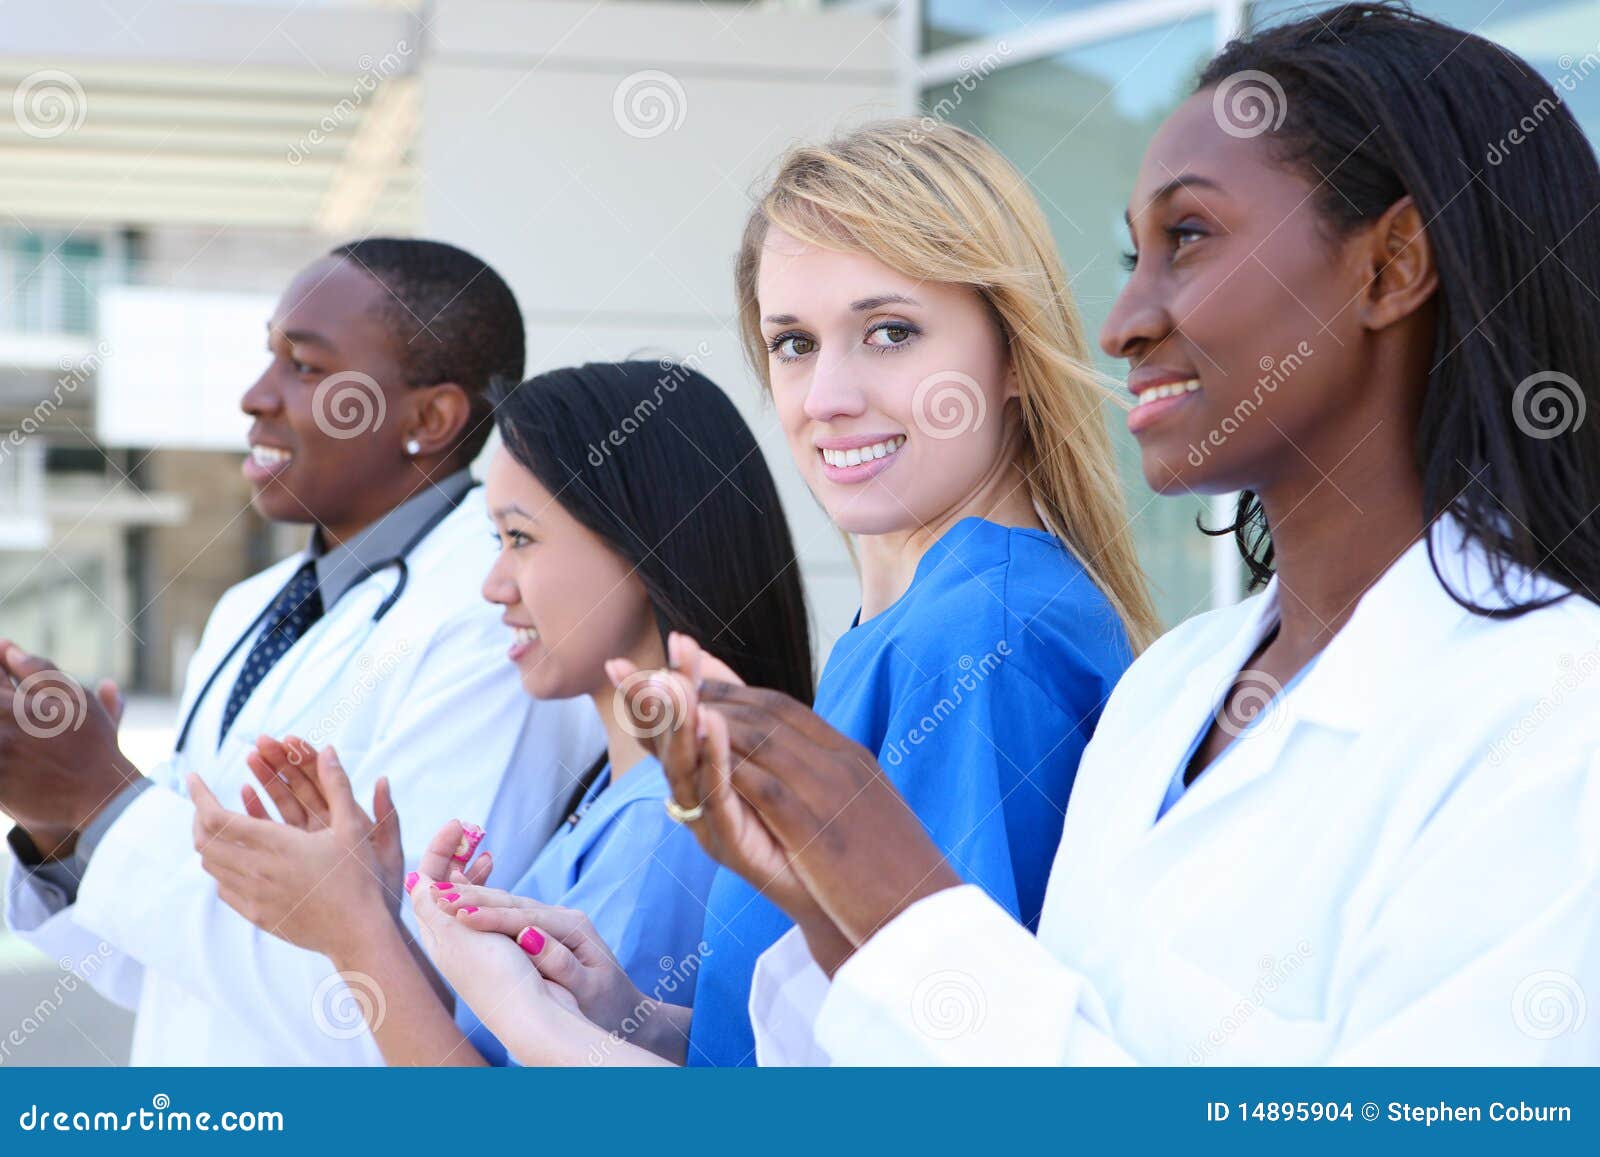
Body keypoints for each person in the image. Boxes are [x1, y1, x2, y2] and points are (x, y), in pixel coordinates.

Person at [625, 3, 1600, 1065]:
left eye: (1188, 238)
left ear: (1389, 264)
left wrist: (897, 897)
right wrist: (825, 896)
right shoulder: (1167, 693)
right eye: (1132, 253)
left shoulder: (1554, 718)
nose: (1121, 320)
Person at [402, 119, 1161, 1066]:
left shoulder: (977, 632)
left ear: (1011, 353)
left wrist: (522, 1017)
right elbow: (822, 1046)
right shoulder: (908, 624)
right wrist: (623, 1010)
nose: (827, 394)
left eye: (890, 332)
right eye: (794, 343)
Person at [0, 239, 601, 1065]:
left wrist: (101, 793)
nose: (255, 397)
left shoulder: (498, 613)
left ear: (429, 420)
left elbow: (393, 991)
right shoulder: (250, 607)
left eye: (306, 367)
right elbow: (163, 965)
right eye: (268, 356)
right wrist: (56, 812)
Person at [186, 360, 814, 1067]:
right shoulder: (620, 792)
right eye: (496, 541)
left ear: (643, 546)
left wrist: (354, 931)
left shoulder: (676, 822)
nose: (493, 586)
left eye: (520, 538)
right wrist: (373, 911)